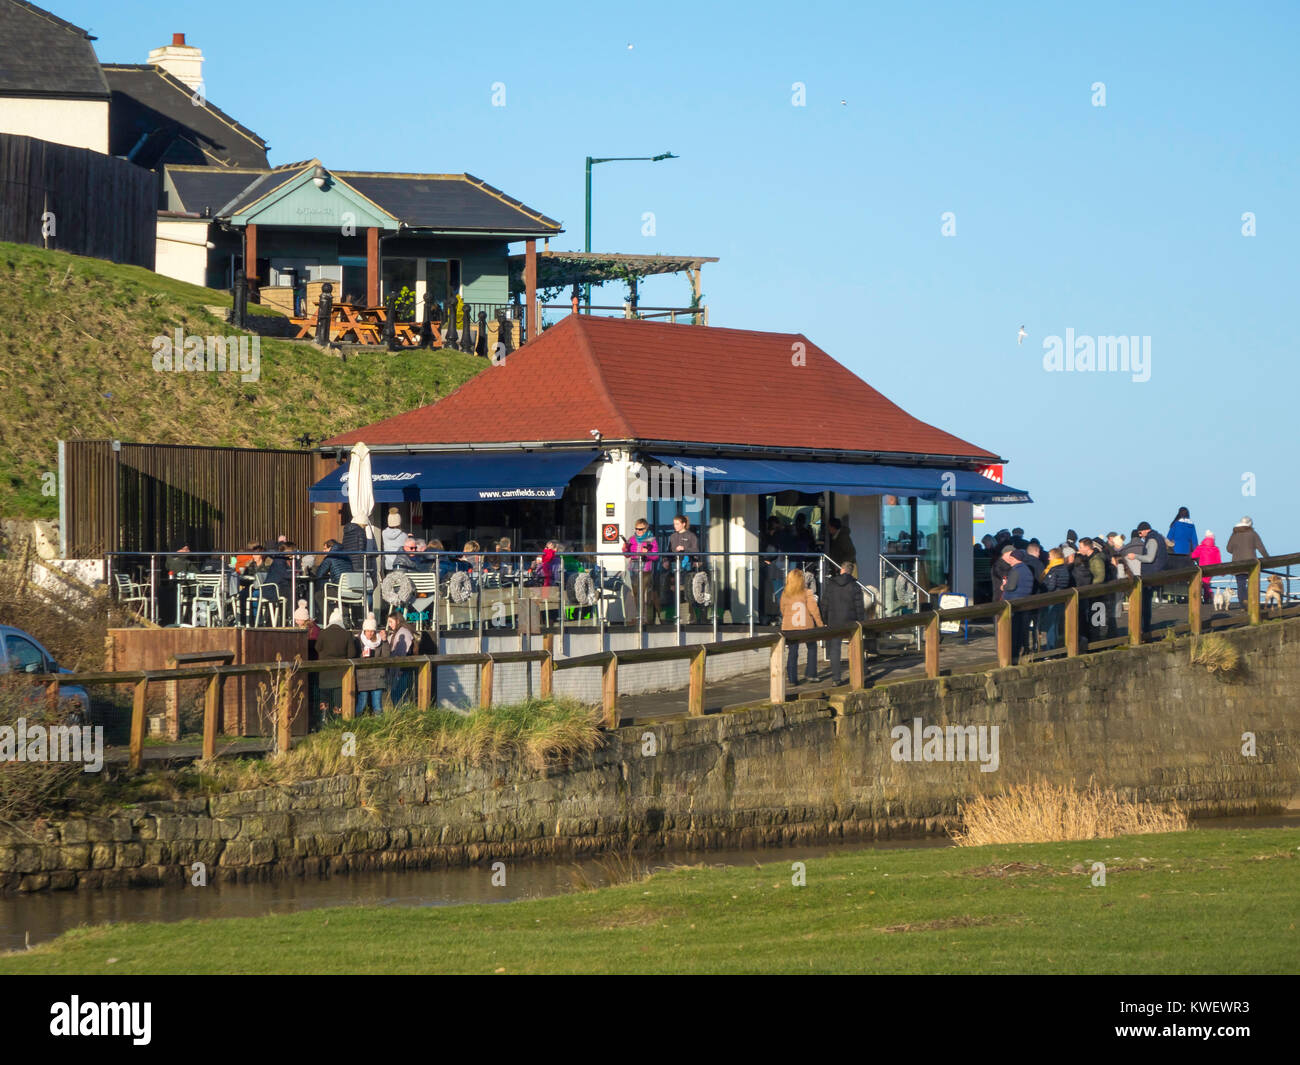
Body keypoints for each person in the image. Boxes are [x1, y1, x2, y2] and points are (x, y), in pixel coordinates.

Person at [820, 563, 864, 685]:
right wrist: (861, 622)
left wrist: (824, 620)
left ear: (842, 570)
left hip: (834, 620)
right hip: (851, 621)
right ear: (851, 572)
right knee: (855, 648)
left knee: (835, 650)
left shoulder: (831, 585)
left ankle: (836, 678)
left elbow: (824, 604)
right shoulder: (854, 586)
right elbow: (859, 607)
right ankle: (858, 674)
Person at [780, 568, 823, 685]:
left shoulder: (785, 593)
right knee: (812, 647)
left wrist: (787, 618)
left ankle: (792, 678)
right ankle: (811, 674)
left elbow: (782, 609)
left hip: (789, 627)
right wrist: (820, 625)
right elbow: (814, 610)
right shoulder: (807, 592)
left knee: (793, 651)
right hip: (806, 626)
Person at [315, 608, 357, 723]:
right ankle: (338, 723)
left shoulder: (323, 633)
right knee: (339, 701)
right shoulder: (346, 634)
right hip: (340, 673)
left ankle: (324, 721)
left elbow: (317, 648)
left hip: (324, 672)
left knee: (324, 699)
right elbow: (352, 653)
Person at [1127, 521, 1167, 635]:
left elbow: (1149, 558)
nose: (1140, 535)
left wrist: (1135, 556)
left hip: (1150, 574)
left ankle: (1145, 630)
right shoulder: (1158, 537)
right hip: (1156, 572)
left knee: (1145, 604)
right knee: (1145, 603)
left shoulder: (1152, 540)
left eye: (1140, 533)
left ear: (1146, 530)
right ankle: (1145, 628)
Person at [999, 545, 1034, 663]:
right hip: (1025, 603)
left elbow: (1011, 587)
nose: (1010, 561)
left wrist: (1004, 586)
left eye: (1011, 559)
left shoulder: (1016, 570)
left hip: (1014, 604)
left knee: (1013, 632)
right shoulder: (1027, 569)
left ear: (1014, 559)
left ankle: (1012, 657)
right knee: (1022, 631)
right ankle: (1022, 652)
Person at [621, 519, 659, 624]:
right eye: (636, 529)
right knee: (636, 593)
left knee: (644, 593)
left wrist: (647, 553)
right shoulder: (632, 539)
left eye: (640, 529)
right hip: (633, 568)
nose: (638, 531)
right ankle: (639, 616)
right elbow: (627, 555)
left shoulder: (651, 539)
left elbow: (656, 556)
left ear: (646, 529)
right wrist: (625, 548)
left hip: (645, 569)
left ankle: (647, 618)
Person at [1226, 517, 1268, 609]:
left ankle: (1243, 605)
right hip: (1251, 563)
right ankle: (1253, 603)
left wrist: (1237, 551)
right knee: (1253, 583)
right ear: (1250, 524)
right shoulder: (1253, 534)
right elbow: (1261, 548)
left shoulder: (1234, 534)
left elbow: (1228, 549)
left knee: (1241, 585)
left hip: (1237, 563)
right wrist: (1267, 558)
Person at [355, 614, 388, 716]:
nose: (370, 633)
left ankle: (380, 727)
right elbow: (353, 656)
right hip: (363, 677)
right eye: (368, 631)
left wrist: (385, 641)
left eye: (372, 631)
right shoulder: (358, 640)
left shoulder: (380, 640)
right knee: (362, 703)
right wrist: (362, 656)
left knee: (377, 705)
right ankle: (355, 724)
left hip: (377, 676)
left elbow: (386, 656)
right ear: (364, 630)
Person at [1040, 548, 1070, 649]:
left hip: (1052, 599)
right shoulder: (1064, 568)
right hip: (1061, 598)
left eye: (1050, 555)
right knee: (1057, 624)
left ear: (1054, 556)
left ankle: (1051, 649)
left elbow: (1051, 586)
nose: (1048, 558)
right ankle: (1057, 648)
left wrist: (1044, 583)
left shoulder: (1053, 569)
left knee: (1051, 626)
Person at [385, 612, 415, 706]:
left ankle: (401, 715)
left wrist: (399, 669)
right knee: (399, 694)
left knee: (399, 695)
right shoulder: (399, 632)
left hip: (401, 669)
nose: (389, 625)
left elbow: (402, 654)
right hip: (399, 669)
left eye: (391, 622)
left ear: (397, 621)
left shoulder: (403, 633)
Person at [1190, 531, 1221, 605]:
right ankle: (1208, 597)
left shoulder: (1201, 547)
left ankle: (1208, 596)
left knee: (1205, 583)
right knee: (1206, 582)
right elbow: (1218, 560)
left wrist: (1191, 556)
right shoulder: (1216, 548)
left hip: (1203, 567)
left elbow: (1193, 555)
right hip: (1213, 568)